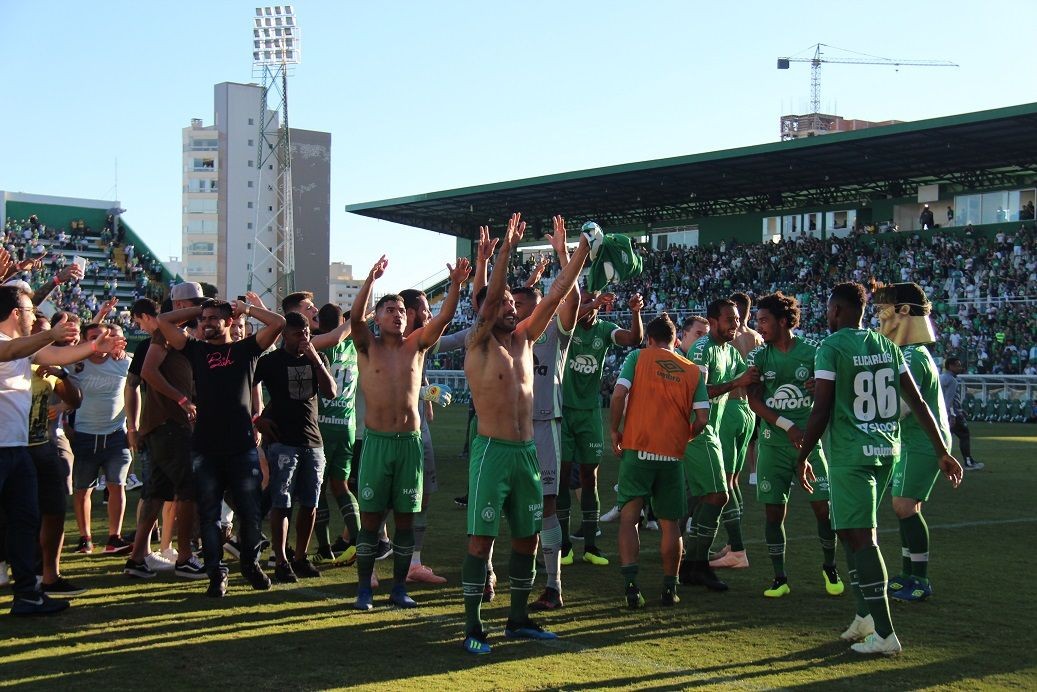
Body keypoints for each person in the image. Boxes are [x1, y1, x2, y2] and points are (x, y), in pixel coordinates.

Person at [795, 282, 962, 656]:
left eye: (828, 308)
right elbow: (917, 401)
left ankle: (885, 634)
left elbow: (821, 411)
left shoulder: (831, 346)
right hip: (885, 449)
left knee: (861, 538)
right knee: (850, 533)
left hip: (850, 454)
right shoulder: (885, 345)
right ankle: (865, 617)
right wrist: (942, 451)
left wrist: (802, 455)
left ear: (836, 310)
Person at [461, 212, 593, 654]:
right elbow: (492, 292)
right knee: (482, 540)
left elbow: (555, 295)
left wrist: (580, 254)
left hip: (526, 454)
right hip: (492, 452)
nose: (511, 307)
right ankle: (474, 627)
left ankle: (518, 619)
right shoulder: (479, 342)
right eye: (503, 304)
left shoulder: (525, 339)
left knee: (527, 536)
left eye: (514, 305)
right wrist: (506, 251)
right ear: (485, 310)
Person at [349, 253, 469, 610]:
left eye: (401, 310)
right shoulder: (366, 346)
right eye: (389, 310)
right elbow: (355, 317)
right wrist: (370, 279)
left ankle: (399, 588)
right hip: (378, 444)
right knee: (370, 520)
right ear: (378, 317)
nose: (397, 314)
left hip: (410, 446)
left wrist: (457, 285)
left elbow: (445, 316)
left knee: (405, 520)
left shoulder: (416, 345)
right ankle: (364, 590)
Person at [0, 284, 124, 615]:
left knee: (25, 522)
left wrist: (94, 345)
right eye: (28, 311)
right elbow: (12, 352)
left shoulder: (26, 348)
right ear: (16, 314)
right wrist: (51, 333)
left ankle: (28, 594)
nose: (31, 317)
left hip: (18, 450)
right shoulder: (9, 346)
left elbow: (59, 355)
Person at [157, 297, 286, 597]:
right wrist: (200, 309)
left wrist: (246, 309)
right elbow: (164, 323)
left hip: (241, 447)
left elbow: (278, 323)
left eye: (214, 319)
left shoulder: (246, 349)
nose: (206, 324)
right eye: (203, 320)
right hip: (205, 448)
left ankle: (250, 564)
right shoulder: (195, 349)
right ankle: (216, 573)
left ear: (229, 323)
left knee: (251, 514)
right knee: (210, 515)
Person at [745, 292, 841, 598]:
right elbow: (754, 401)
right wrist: (788, 426)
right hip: (773, 445)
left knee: (823, 510)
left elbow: (829, 392)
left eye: (763, 320)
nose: (758, 326)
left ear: (783, 321)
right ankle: (779, 578)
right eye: (757, 320)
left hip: (809, 444)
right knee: (774, 514)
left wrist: (818, 388)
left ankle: (830, 567)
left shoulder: (813, 352)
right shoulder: (758, 357)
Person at [609, 314, 708, 608]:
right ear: (674, 341)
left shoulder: (638, 357)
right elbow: (703, 417)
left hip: (637, 449)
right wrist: (686, 436)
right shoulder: (691, 369)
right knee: (670, 525)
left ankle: (631, 588)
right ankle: (669, 589)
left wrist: (615, 429)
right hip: (670, 454)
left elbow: (618, 394)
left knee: (630, 519)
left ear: (650, 339)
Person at [873, 283, 952, 602]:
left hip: (923, 440)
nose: (879, 315)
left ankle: (920, 578)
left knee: (904, 505)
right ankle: (909, 574)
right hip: (911, 439)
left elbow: (905, 407)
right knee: (904, 507)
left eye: (884, 308)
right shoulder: (904, 353)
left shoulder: (913, 356)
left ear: (903, 311)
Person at [559, 289, 644, 567]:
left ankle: (592, 546)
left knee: (589, 479)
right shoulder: (565, 327)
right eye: (583, 302)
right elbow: (574, 314)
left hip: (589, 415)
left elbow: (634, 339)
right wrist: (590, 303)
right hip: (563, 412)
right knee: (561, 479)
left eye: (594, 303)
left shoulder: (605, 329)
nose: (590, 308)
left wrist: (635, 311)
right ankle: (563, 545)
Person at [681, 298, 758, 591]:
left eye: (737, 318)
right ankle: (694, 564)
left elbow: (746, 376)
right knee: (717, 495)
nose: (735, 324)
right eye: (729, 319)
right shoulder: (703, 349)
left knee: (707, 496)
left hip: (713, 430)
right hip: (698, 431)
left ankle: (692, 564)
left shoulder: (728, 349)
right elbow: (698, 395)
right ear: (713, 322)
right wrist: (734, 383)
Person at [254, 311, 336, 583]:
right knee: (282, 502)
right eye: (297, 334)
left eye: (307, 334)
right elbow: (243, 387)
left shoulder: (318, 358)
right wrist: (257, 418)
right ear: (284, 335)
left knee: (310, 502)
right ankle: (282, 560)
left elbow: (331, 391)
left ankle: (301, 557)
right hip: (282, 441)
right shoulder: (271, 361)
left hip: (312, 440)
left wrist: (314, 359)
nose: (304, 338)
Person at [399, 288, 452, 585]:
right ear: (409, 312)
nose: (429, 315)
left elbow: (455, 337)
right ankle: (375, 554)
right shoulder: (390, 341)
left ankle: (414, 562)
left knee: (424, 494)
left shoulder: (424, 342)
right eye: (425, 309)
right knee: (387, 497)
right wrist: (423, 392)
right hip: (392, 434)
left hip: (421, 431)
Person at [67, 321, 134, 555]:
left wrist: (134, 428)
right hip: (85, 435)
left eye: (102, 335)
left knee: (118, 485)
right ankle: (85, 539)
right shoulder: (76, 364)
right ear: (85, 341)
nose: (100, 340)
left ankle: (113, 538)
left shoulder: (125, 361)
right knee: (83, 489)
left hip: (116, 435)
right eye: (93, 336)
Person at [709, 292, 763, 569]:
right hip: (748, 409)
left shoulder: (725, 339)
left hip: (728, 408)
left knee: (724, 484)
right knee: (733, 481)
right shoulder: (756, 337)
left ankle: (738, 550)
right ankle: (733, 543)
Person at [940, 358, 983, 471]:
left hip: (942, 413)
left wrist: (960, 410)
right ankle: (968, 462)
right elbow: (949, 400)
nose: (960, 367)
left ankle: (937, 464)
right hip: (951, 414)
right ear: (950, 366)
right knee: (964, 435)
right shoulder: (952, 380)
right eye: (957, 365)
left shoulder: (941, 377)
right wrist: (953, 415)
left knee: (943, 439)